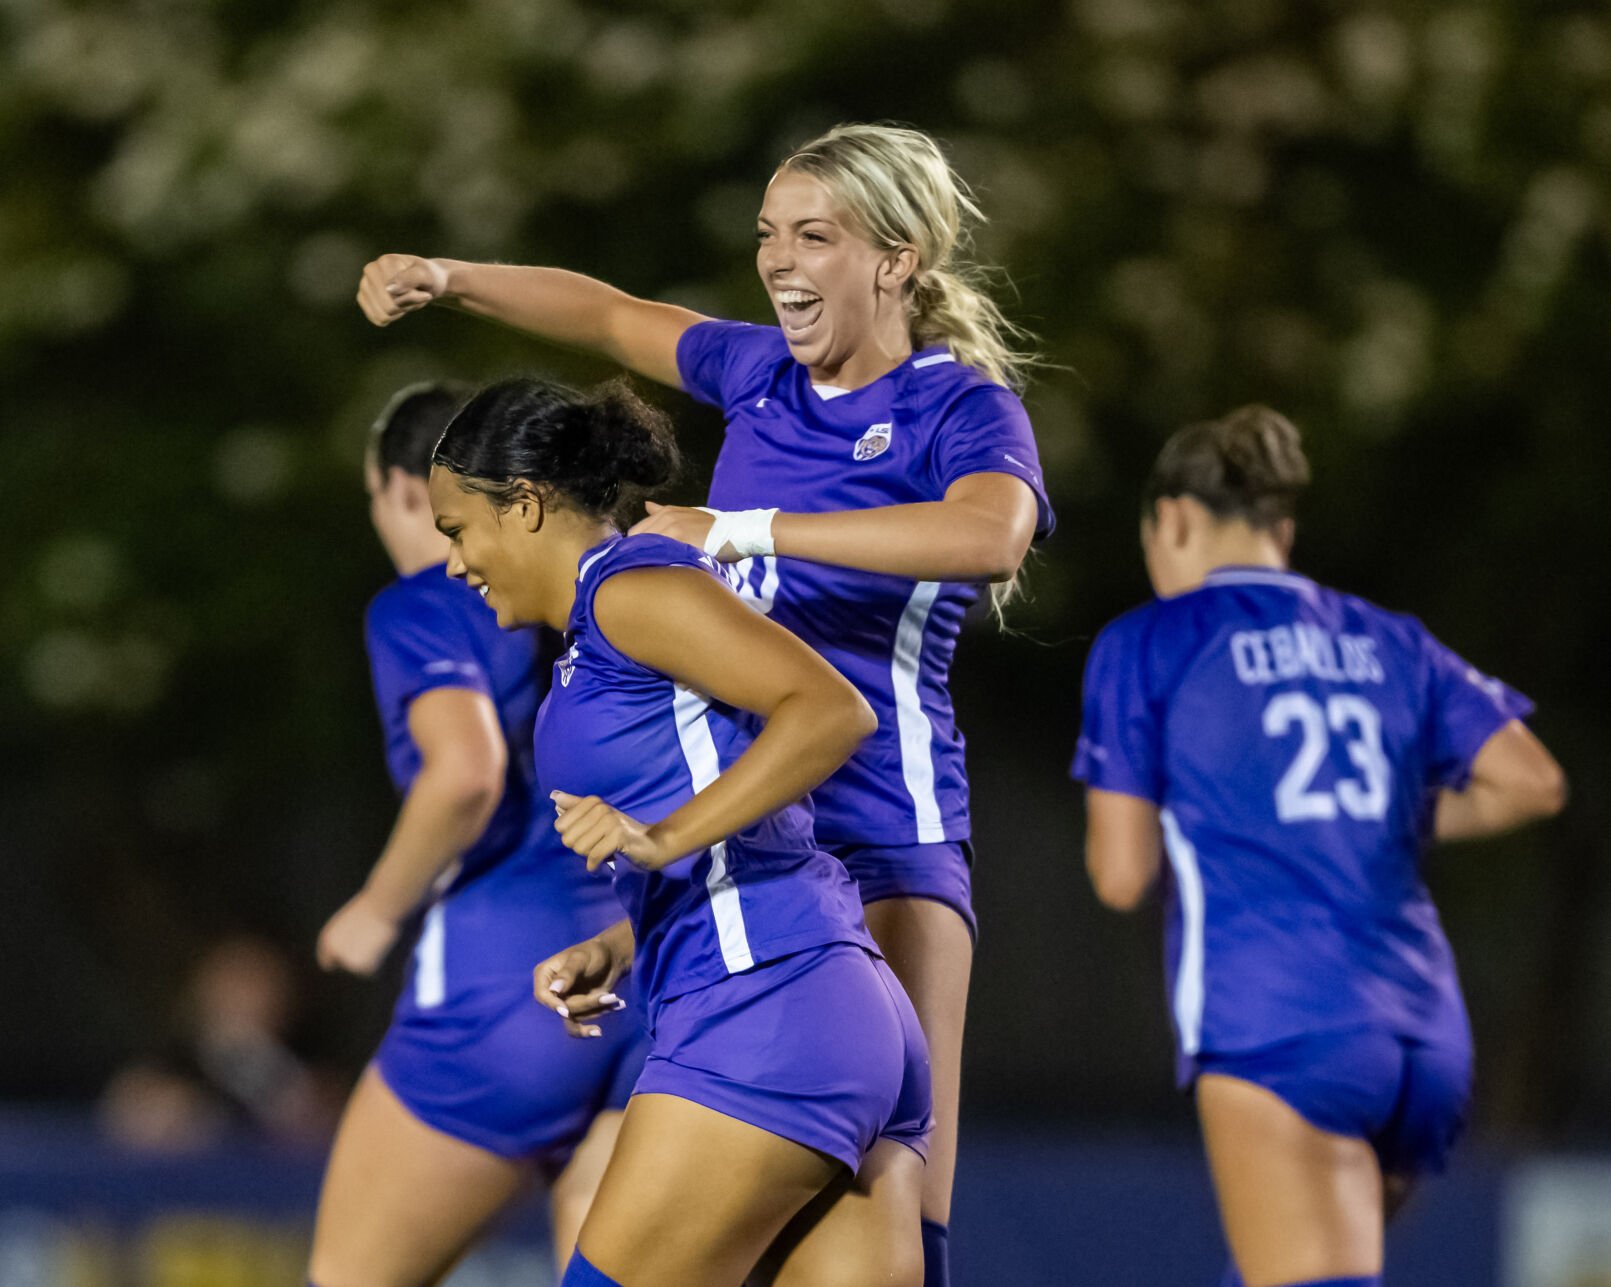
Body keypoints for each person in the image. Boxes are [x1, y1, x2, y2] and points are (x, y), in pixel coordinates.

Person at [356, 123, 1055, 1285]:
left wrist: (745, 529)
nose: (779, 261)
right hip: (768, 849)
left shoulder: (957, 409)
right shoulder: (760, 377)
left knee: (909, 1240)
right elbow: (606, 314)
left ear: (900, 258)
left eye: (815, 236)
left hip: (885, 840)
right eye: (768, 235)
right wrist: (453, 279)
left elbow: (991, 536)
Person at [427, 373, 932, 1287]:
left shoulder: (629, 588)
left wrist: (660, 838)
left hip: (760, 1012)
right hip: (831, 1006)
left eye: (459, 531)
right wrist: (624, 942)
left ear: (528, 505)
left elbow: (828, 710)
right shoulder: (607, 620)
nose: (457, 563)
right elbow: (753, 825)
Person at [1072, 406, 1567, 1287]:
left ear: (1173, 519)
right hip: (1425, 1035)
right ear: (1283, 528)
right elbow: (1531, 781)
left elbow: (1122, 873)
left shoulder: (1149, 642)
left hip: (1281, 1024)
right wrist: (1376, 815)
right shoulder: (1389, 638)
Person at [308, 383, 647, 1287]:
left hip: (502, 993)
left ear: (405, 492)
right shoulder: (619, 587)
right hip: (647, 974)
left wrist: (378, 910)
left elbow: (464, 773)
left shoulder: (425, 604)